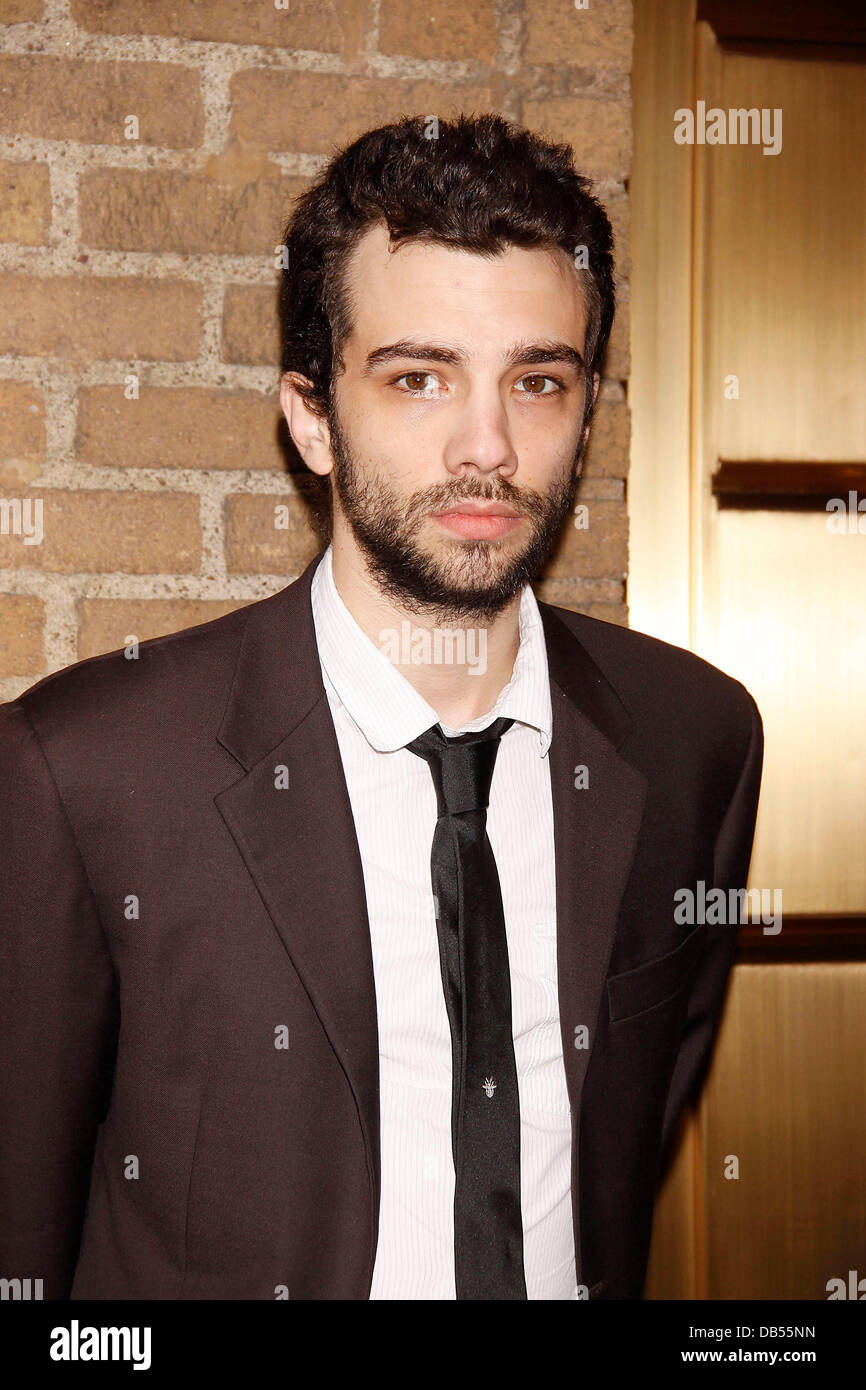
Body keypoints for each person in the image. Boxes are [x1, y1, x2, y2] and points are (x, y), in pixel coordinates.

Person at [0, 114, 762, 1301]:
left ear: (584, 408)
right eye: (418, 378)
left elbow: (632, 1133)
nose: (486, 446)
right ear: (310, 415)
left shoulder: (694, 736)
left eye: (537, 381)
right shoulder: (88, 766)